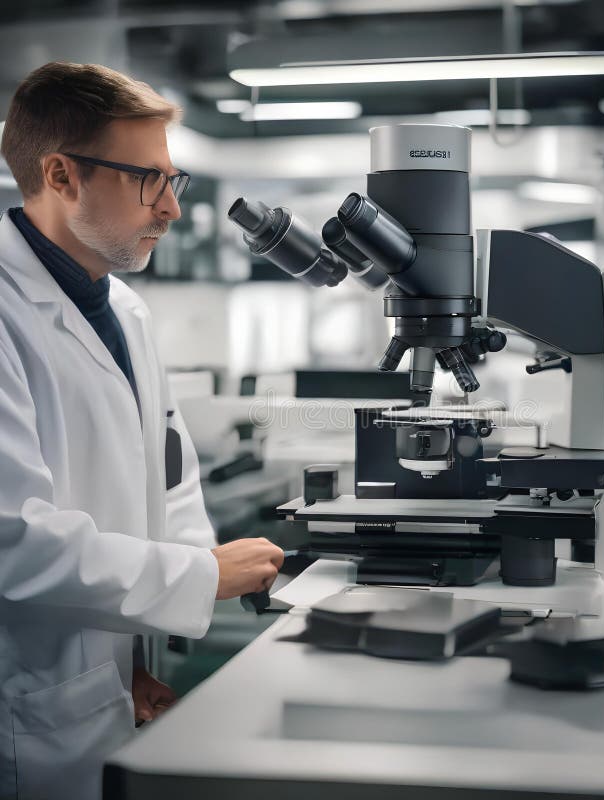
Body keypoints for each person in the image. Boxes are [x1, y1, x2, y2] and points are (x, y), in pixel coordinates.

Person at [0, 62, 284, 800]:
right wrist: (199, 577)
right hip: (26, 702)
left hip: (109, 681)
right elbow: (12, 542)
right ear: (61, 175)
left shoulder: (124, 308)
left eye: (172, 180)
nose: (172, 209)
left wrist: (137, 652)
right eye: (145, 181)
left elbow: (167, 476)